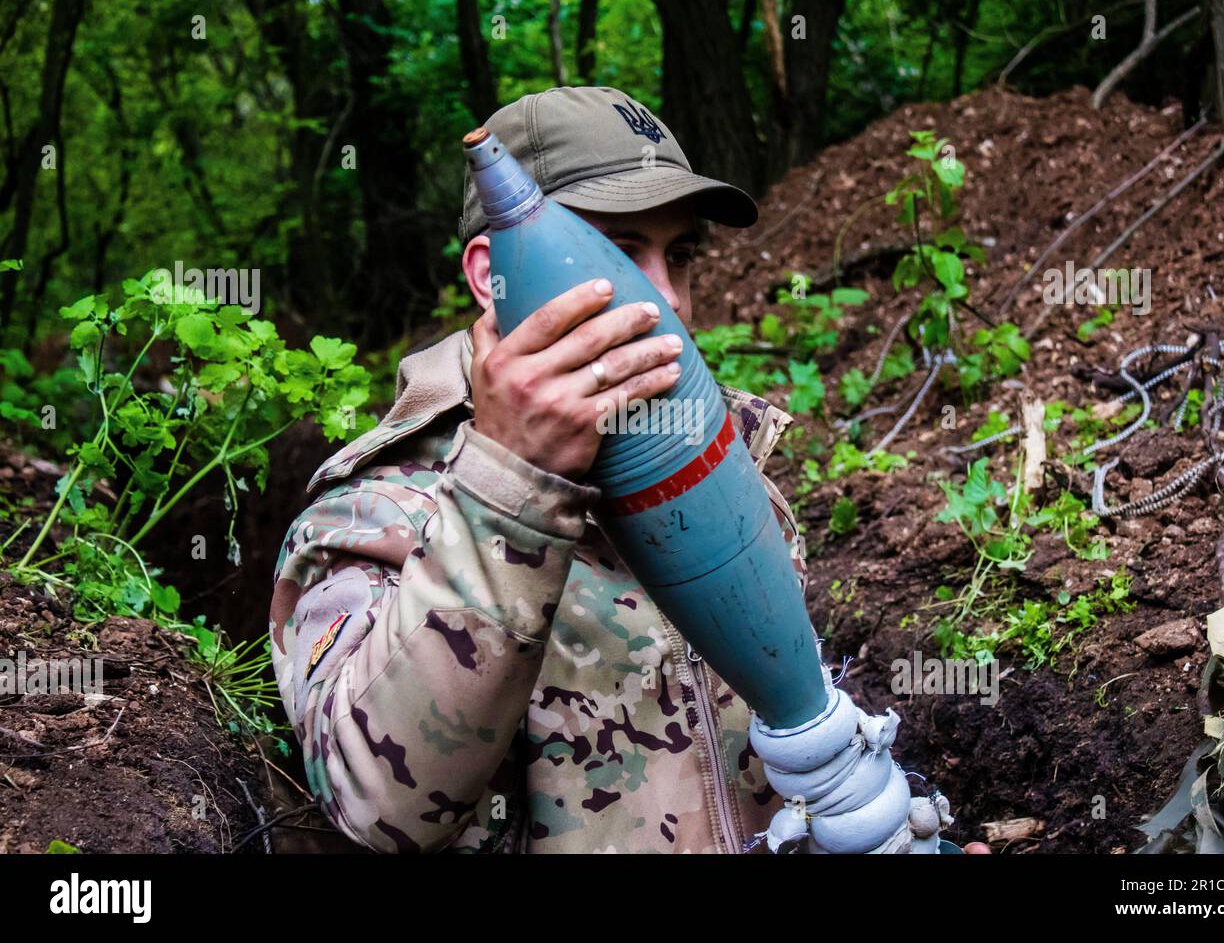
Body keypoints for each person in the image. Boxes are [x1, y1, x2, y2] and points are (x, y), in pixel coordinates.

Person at [269, 85, 984, 854]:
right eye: (621, 251)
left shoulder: (734, 476)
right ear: (494, 276)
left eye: (680, 255)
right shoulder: (375, 519)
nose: (669, 298)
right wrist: (511, 487)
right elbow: (379, 811)